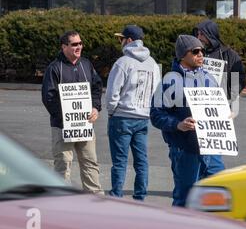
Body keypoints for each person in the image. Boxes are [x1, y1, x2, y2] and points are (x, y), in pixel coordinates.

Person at [150, 34, 225, 207]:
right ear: (183, 55)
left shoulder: (210, 78)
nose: (201, 55)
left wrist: (225, 113)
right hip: (185, 149)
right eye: (195, 51)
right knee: (185, 198)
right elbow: (156, 114)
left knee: (218, 195)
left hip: (211, 148)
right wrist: (178, 125)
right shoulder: (170, 80)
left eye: (202, 51)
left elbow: (219, 106)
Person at [42, 31, 103, 193]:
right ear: (64, 47)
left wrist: (96, 107)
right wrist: (66, 117)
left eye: (80, 43)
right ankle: (61, 203)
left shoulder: (86, 64)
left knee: (90, 163)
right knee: (63, 165)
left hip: (85, 125)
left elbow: (97, 87)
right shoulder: (54, 68)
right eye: (74, 44)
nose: (79, 47)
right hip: (62, 127)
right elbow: (48, 97)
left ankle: (95, 201)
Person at [106, 25, 160, 200]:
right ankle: (140, 197)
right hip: (143, 117)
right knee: (141, 161)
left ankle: (116, 196)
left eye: (121, 39)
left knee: (120, 162)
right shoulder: (152, 63)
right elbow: (156, 91)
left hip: (122, 116)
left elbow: (112, 92)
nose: (120, 42)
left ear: (129, 40)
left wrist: (112, 111)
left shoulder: (122, 62)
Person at [195, 19, 246, 110]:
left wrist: (228, 97)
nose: (198, 37)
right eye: (198, 34)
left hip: (222, 106)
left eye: (202, 34)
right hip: (197, 105)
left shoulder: (229, 55)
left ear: (210, 35)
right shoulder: (194, 53)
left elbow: (238, 79)